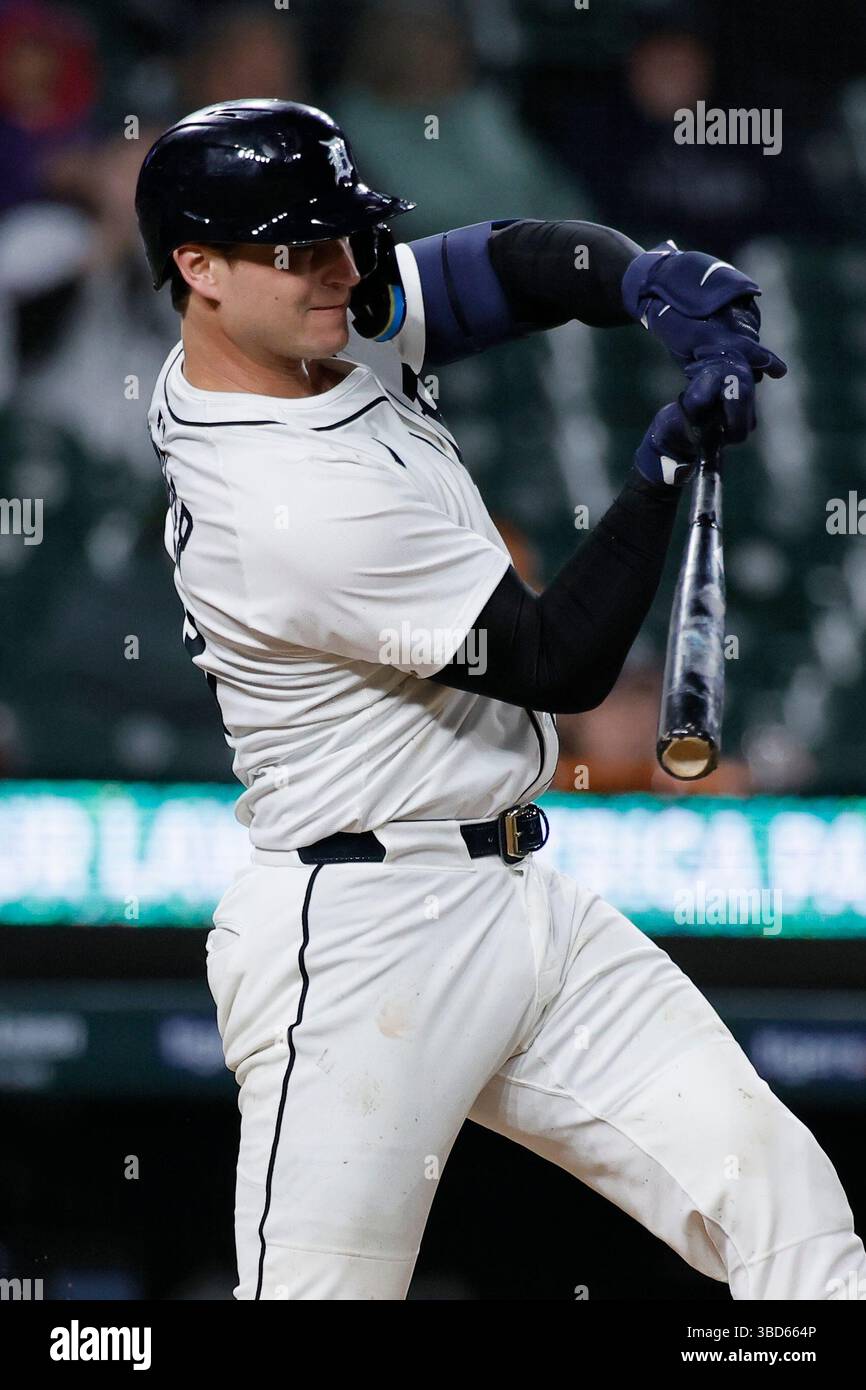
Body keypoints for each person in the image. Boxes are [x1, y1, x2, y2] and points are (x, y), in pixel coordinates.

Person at [135, 99, 866, 1300]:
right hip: (360, 938)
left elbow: (491, 267)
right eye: (298, 247)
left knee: (787, 1213)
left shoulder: (288, 327)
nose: (342, 271)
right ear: (197, 268)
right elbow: (554, 660)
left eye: (344, 235)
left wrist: (644, 281)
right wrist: (663, 463)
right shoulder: (282, 501)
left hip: (522, 893)